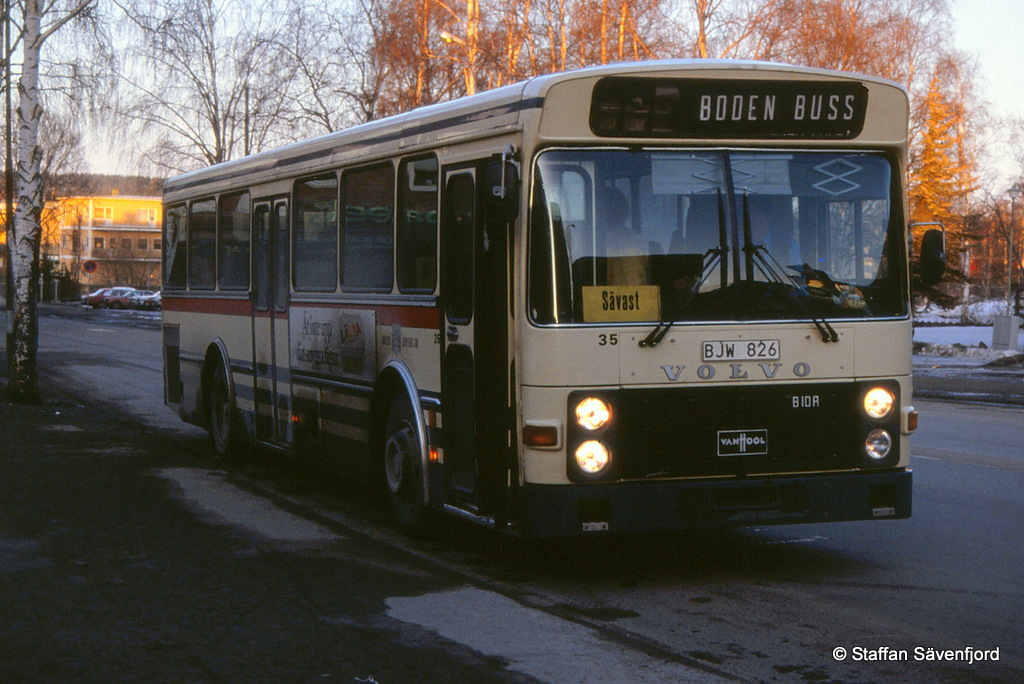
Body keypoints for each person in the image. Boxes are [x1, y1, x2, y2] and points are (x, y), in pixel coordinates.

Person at [600, 188, 649, 285]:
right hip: (636, 297)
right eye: (612, 208)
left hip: (637, 297)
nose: (616, 211)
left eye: (618, 207)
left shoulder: (592, 241)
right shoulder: (637, 240)